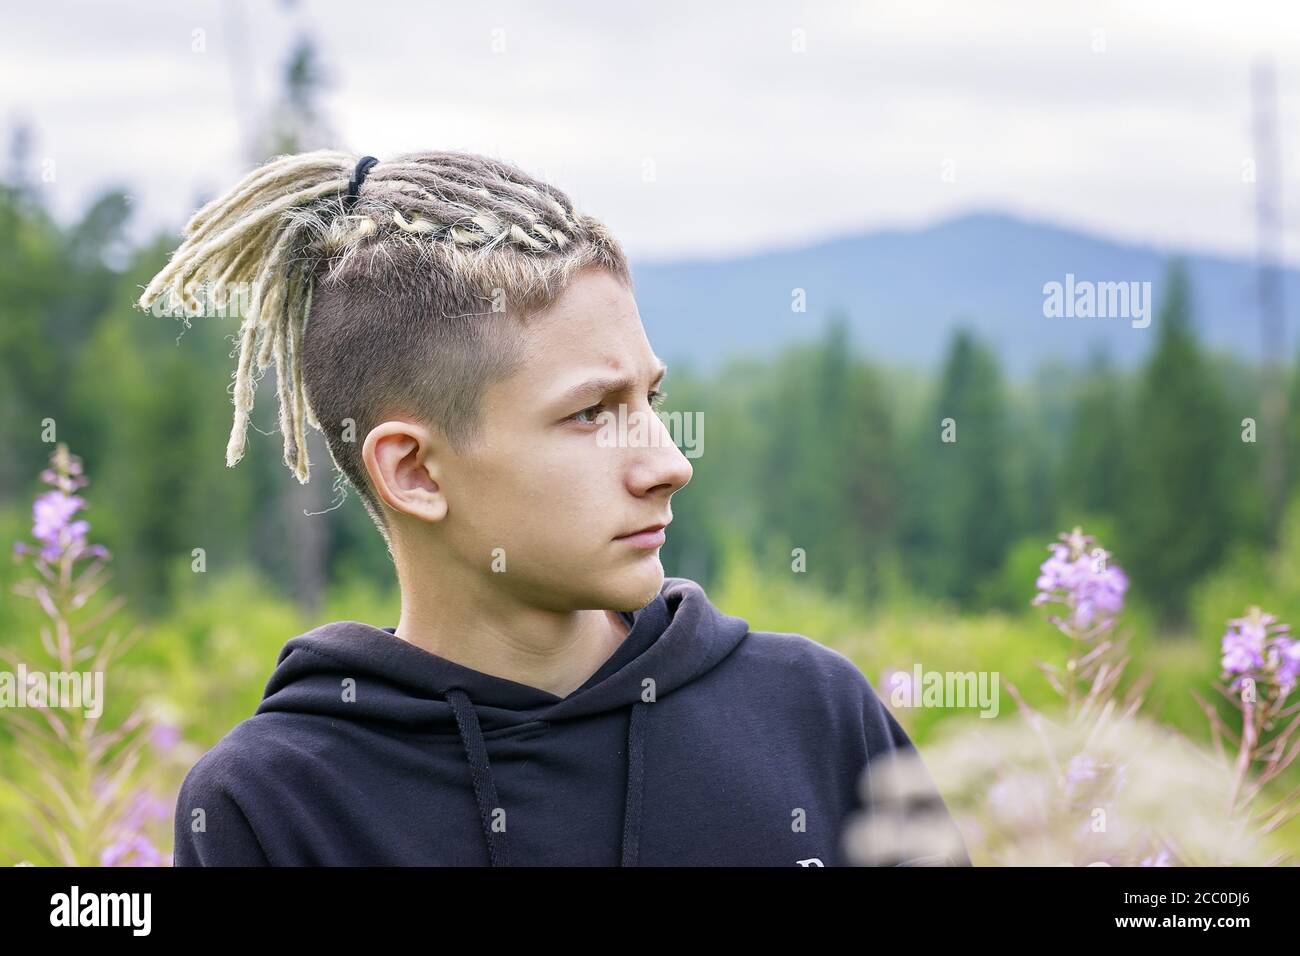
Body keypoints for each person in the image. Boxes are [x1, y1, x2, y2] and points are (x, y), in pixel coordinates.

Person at [142, 150, 970, 866]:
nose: (669, 463)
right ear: (415, 471)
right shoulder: (275, 804)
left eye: (651, 397)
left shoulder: (812, 715)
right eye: (588, 414)